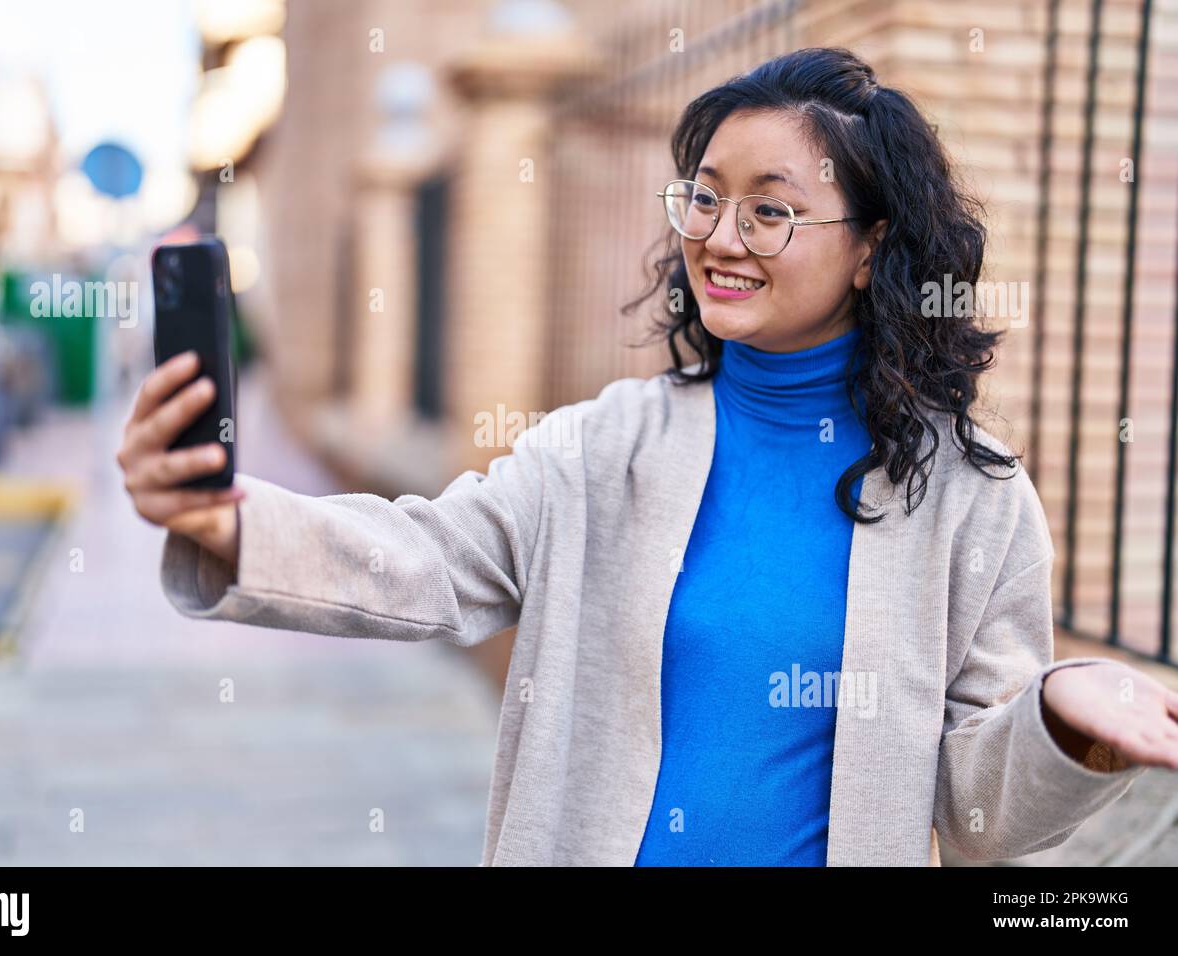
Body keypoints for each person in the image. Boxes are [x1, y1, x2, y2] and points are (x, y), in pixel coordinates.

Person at [117, 47, 1176, 866]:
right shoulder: (604, 444)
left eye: (771, 208)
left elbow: (979, 814)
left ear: (869, 247)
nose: (719, 235)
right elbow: (433, 557)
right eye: (704, 195)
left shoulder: (969, 495)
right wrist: (231, 521)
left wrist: (1052, 724)